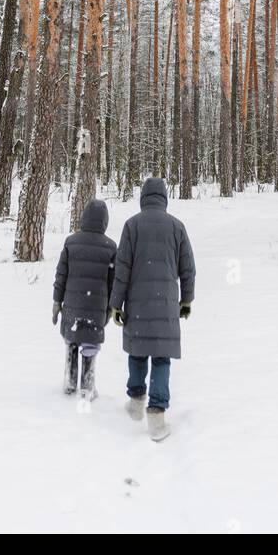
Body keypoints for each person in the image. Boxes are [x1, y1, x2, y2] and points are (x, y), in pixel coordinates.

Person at [109, 176, 195, 441]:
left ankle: (135, 400)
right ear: (164, 198)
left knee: (137, 352)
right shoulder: (177, 227)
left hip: (137, 303)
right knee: (160, 357)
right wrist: (186, 300)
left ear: (143, 197)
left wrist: (116, 304)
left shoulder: (132, 226)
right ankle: (157, 414)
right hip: (167, 304)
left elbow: (121, 270)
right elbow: (188, 268)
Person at [52, 197, 116, 401]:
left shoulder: (71, 242)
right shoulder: (111, 247)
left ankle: (70, 383)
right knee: (89, 344)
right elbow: (113, 282)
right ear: (105, 221)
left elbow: (60, 275)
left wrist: (56, 301)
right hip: (96, 307)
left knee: (72, 340)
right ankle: (87, 388)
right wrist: (111, 308)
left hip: (72, 305)